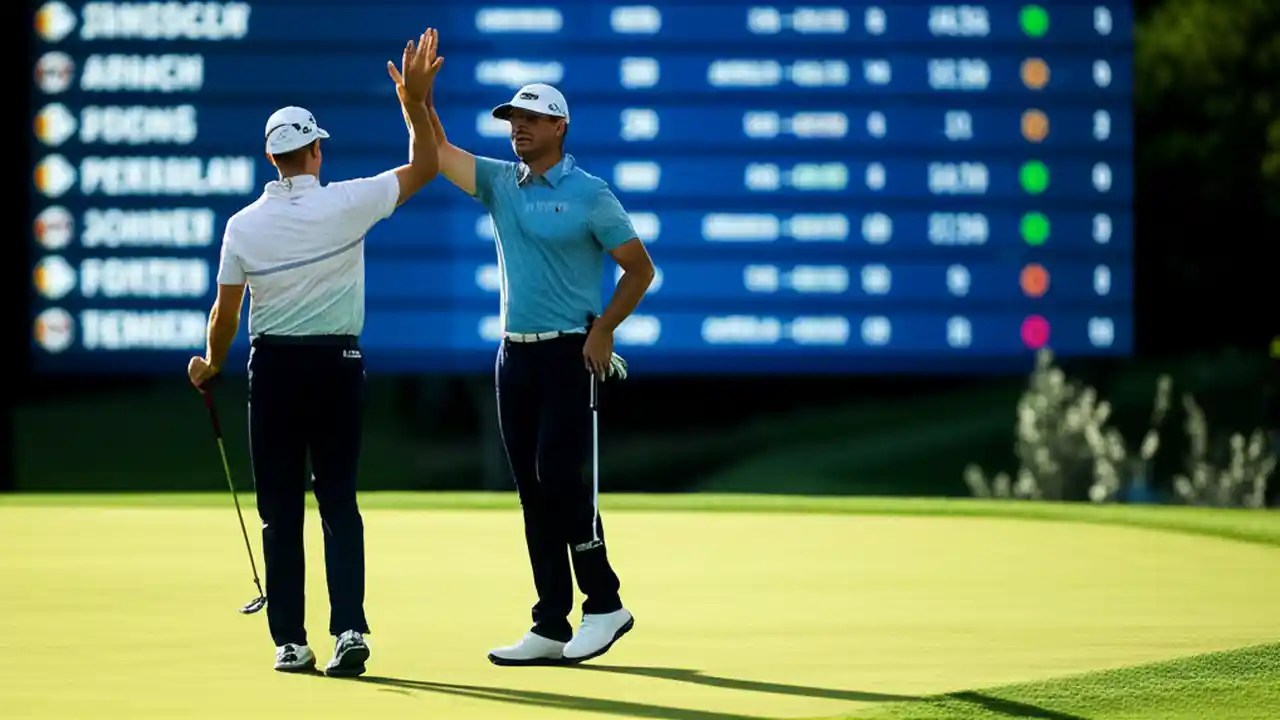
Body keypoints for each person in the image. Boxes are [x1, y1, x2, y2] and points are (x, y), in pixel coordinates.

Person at [186, 28, 444, 677]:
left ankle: (290, 642)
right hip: (337, 368)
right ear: (316, 152)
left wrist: (210, 363)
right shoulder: (347, 202)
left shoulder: (243, 225)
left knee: (279, 511)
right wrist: (413, 102)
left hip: (272, 371)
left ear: (274, 159)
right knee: (337, 502)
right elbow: (425, 166)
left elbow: (226, 314)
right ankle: (350, 628)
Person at [426, 80, 656, 665]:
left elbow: (638, 269)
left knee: (558, 477)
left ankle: (604, 603)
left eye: (531, 118)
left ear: (560, 127)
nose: (517, 127)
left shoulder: (590, 194)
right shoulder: (501, 183)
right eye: (512, 119)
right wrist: (417, 103)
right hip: (515, 357)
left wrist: (603, 330)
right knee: (532, 491)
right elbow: (435, 152)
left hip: (569, 354)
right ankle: (551, 621)